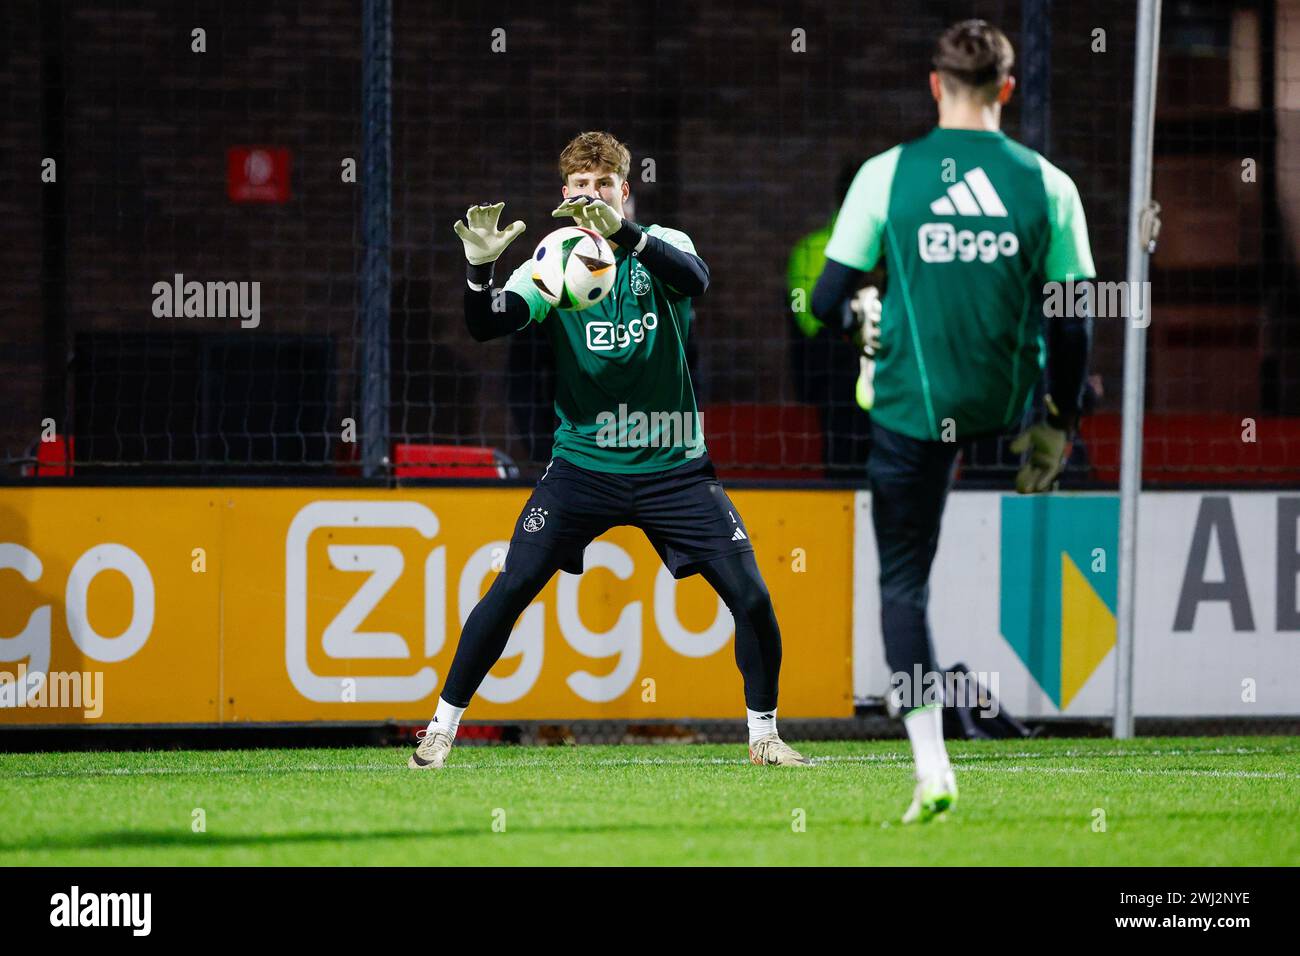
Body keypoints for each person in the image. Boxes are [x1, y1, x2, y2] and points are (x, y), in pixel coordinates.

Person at [410, 130, 811, 770]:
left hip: (674, 469)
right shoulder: (551, 261)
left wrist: (625, 237)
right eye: (579, 188)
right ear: (562, 196)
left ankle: (764, 736)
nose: (590, 197)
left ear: (625, 192)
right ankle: (439, 730)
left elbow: (697, 280)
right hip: (583, 467)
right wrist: (479, 270)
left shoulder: (663, 246)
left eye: (603, 187)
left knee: (753, 597)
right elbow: (487, 322)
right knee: (511, 586)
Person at [812, 20, 1095, 822]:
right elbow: (1074, 323)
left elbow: (825, 301)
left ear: (935, 86)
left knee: (903, 586)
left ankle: (932, 766)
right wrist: (1057, 424)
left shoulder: (885, 174)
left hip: (911, 405)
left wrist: (858, 312)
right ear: (1007, 89)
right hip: (1007, 407)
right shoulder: (1049, 184)